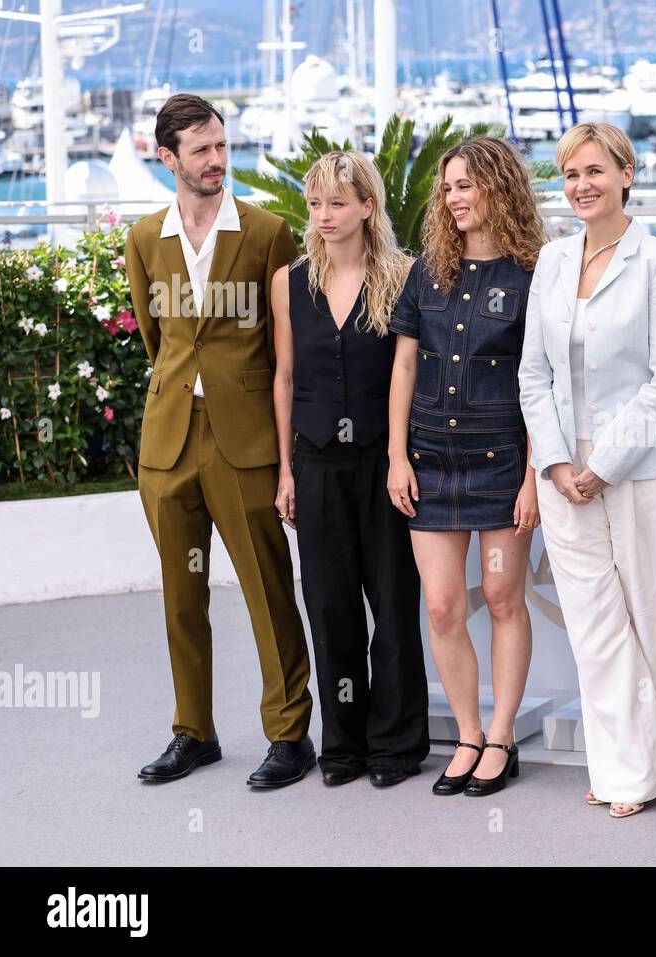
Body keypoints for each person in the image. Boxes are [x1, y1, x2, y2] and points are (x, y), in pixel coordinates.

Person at [125, 93, 314, 787]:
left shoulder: (267, 233)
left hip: (246, 439)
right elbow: (158, 339)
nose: (215, 161)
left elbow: (286, 348)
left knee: (268, 588)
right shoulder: (145, 238)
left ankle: (290, 733)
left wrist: (285, 450)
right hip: (169, 441)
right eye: (200, 150)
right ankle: (192, 731)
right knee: (182, 594)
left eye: (221, 147)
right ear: (167, 157)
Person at [518, 122, 656, 819]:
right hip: (562, 472)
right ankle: (624, 765)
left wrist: (603, 465)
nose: (582, 185)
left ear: (627, 173)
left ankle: (654, 769)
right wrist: (559, 462)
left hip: (642, 467)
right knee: (592, 623)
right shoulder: (553, 261)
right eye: (570, 175)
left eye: (595, 171)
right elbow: (534, 374)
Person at [387, 136, 545, 797]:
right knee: (444, 604)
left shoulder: (534, 273)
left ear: (497, 188)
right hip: (430, 461)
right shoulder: (427, 270)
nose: (452, 197)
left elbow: (545, 380)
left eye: (464, 185)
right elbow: (403, 364)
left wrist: (536, 473)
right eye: (446, 187)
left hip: (503, 461)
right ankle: (468, 733)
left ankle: (502, 737)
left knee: (505, 597)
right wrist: (395, 455)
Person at [270, 151, 430, 789]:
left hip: (383, 464)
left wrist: (398, 459)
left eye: (338, 202)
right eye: (315, 204)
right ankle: (342, 747)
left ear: (368, 205)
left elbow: (407, 373)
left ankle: (395, 746)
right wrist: (285, 470)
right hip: (314, 465)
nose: (325, 216)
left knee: (393, 606)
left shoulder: (403, 276)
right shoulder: (290, 282)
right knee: (329, 607)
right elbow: (284, 378)